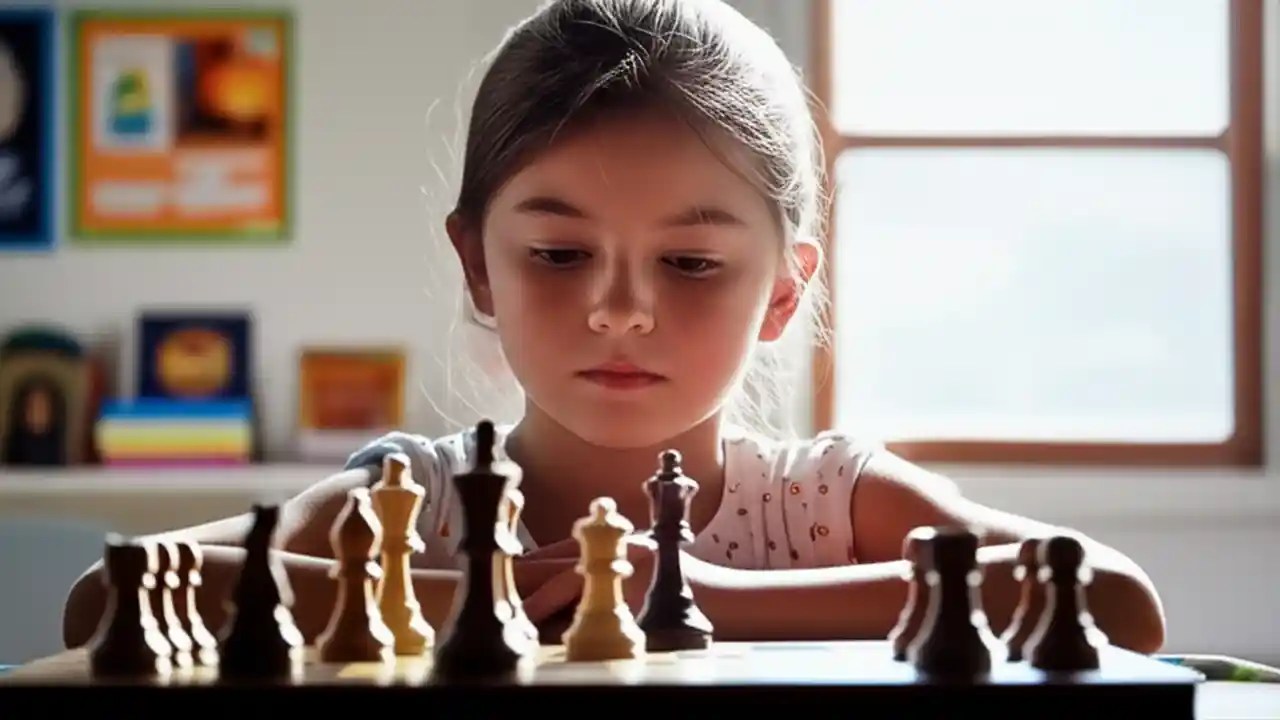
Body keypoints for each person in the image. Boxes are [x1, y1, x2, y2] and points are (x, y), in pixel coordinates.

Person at [62, 0, 1165, 653]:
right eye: (556, 253)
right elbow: (105, 599)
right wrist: (484, 602)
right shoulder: (418, 509)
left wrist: (716, 602)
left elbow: (1116, 603)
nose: (620, 307)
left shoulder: (823, 510)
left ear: (782, 290)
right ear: (476, 267)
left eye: (690, 262)